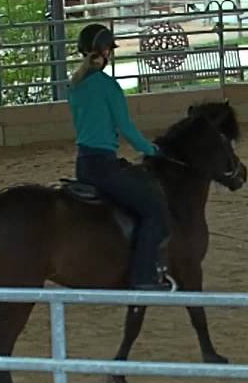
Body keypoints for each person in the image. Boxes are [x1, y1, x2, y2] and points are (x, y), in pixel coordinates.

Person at [68, 24, 173, 291]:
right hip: (104, 166)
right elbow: (125, 128)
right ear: (104, 52)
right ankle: (142, 277)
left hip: (83, 164)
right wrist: (152, 150)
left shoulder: (75, 86)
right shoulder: (108, 86)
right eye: (109, 50)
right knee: (153, 211)